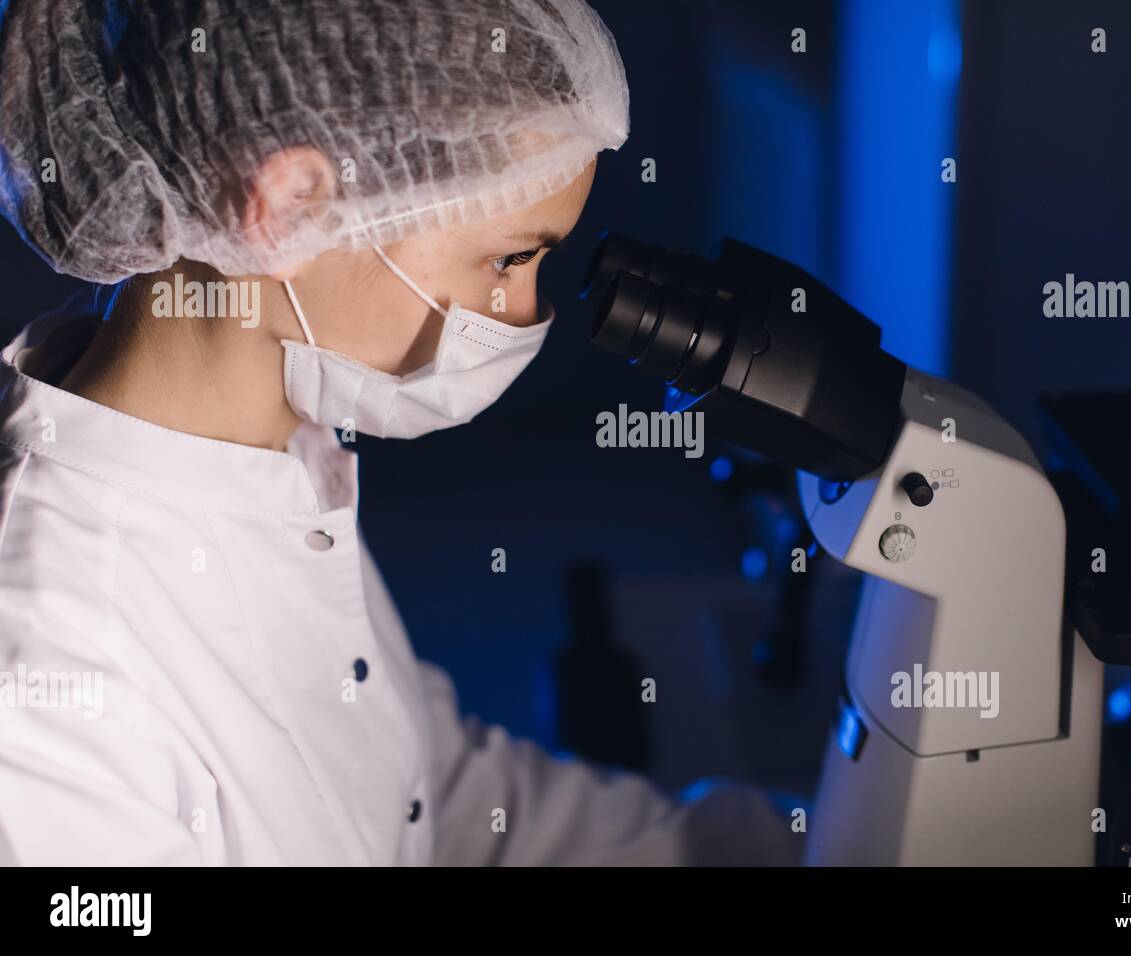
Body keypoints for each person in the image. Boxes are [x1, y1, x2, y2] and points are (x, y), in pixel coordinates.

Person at [0, 0, 803, 865]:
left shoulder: (284, 451)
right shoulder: (47, 688)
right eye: (508, 258)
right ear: (287, 210)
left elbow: (433, 795)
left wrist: (766, 845)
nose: (529, 311)